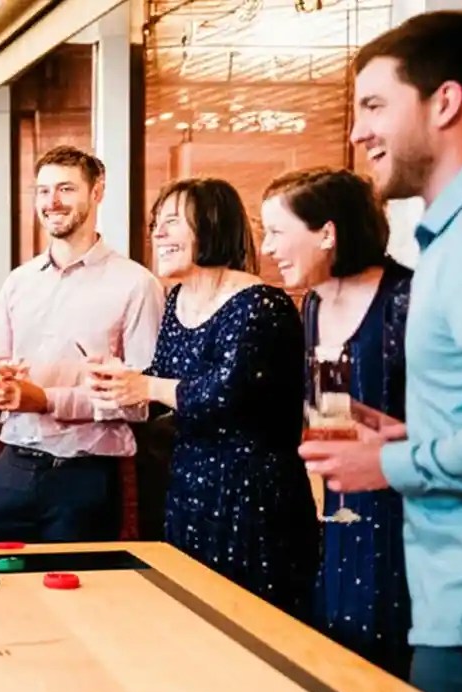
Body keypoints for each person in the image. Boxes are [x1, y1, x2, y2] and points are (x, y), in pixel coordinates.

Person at [298, 12, 462, 692]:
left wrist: (389, 465)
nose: (357, 133)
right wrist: (407, 442)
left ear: (445, 102)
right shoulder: (455, 232)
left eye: (375, 106)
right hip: (456, 598)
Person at [89, 178, 318, 619]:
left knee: (256, 630)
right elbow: (167, 384)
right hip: (188, 492)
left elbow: (225, 393)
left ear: (211, 225)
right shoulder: (176, 300)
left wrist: (147, 386)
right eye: (157, 222)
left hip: (253, 501)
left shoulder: (262, 304)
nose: (157, 233)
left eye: (171, 222)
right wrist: (122, 379)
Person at [261, 167, 413, 677]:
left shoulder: (406, 301)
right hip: (342, 515)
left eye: (278, 232)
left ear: (326, 232)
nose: (267, 248)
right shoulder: (314, 306)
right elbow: (327, 418)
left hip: (413, 516)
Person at [0, 145, 165, 545]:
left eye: (65, 189)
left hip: (86, 477)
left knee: (76, 599)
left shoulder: (136, 284)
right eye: (43, 191)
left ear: (97, 193)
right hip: (12, 467)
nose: (52, 202)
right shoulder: (18, 282)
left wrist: (44, 399)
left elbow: (143, 402)